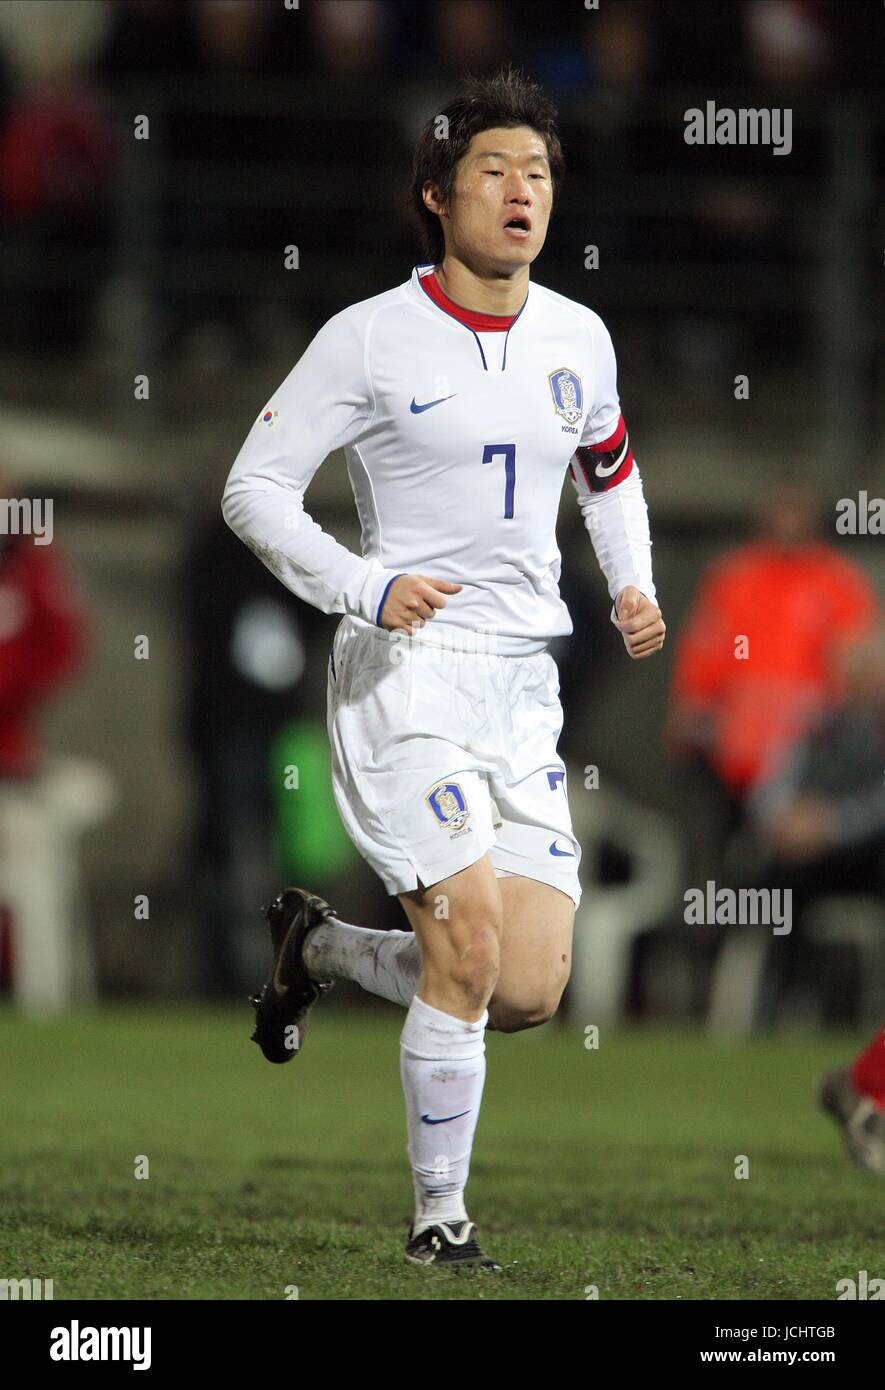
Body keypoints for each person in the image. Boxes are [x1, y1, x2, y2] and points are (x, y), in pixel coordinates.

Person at [222, 68, 665, 1270]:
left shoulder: (581, 335)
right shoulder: (366, 336)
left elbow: (609, 472)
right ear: (436, 193)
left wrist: (634, 582)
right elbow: (251, 490)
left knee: (525, 989)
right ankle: (440, 1223)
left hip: (524, 685)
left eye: (538, 175)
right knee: (465, 943)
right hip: (404, 668)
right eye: (494, 172)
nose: (523, 194)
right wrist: (365, 585)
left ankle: (318, 949)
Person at [820, 1028, 885, 1175]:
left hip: (863, 1092)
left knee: (869, 1144)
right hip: (852, 1087)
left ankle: (862, 1147)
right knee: (866, 1141)